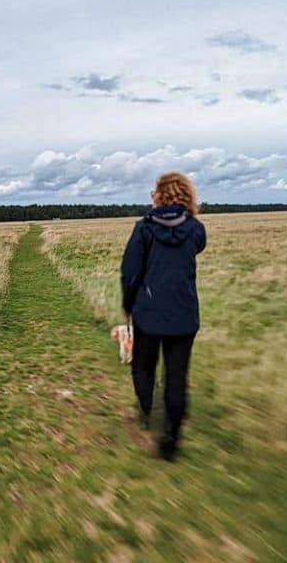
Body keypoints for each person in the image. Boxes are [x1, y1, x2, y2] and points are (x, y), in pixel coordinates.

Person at [120, 171, 207, 460]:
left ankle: (149, 412)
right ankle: (172, 435)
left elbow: (130, 272)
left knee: (143, 369)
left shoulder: (143, 228)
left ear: (159, 194)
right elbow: (198, 246)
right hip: (184, 314)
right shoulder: (195, 228)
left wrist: (128, 304)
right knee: (177, 375)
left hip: (148, 313)